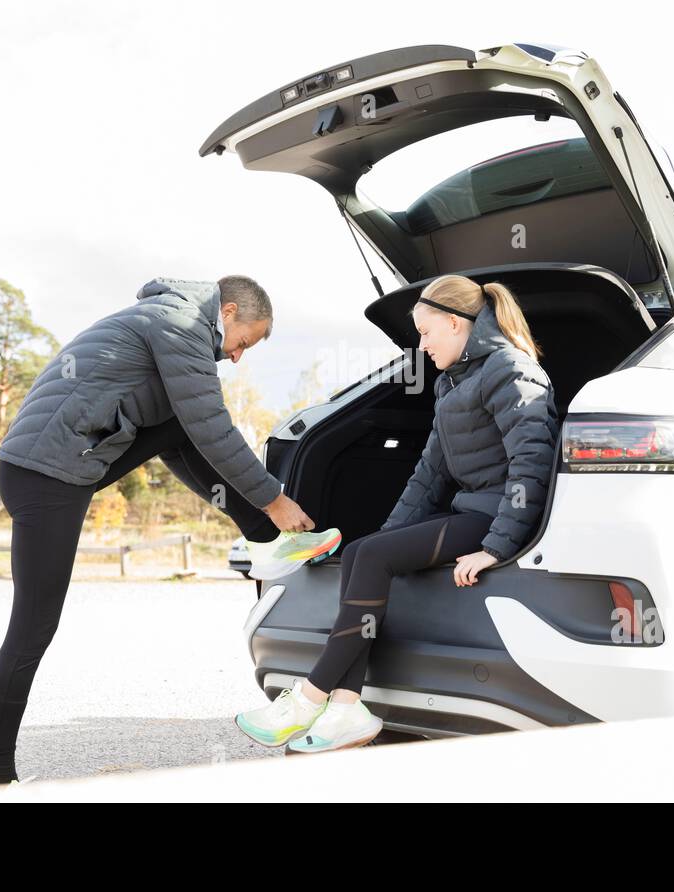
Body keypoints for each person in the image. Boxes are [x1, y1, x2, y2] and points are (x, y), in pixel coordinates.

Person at [0, 274, 339, 786]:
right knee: (34, 625)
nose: (238, 356)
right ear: (231, 312)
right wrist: (274, 499)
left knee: (176, 424)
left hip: (69, 461)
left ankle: (263, 542)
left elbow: (187, 431)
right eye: (243, 343)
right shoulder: (180, 325)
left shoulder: (177, 319)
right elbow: (214, 426)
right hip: (45, 475)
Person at [234, 274, 558, 753]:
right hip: (470, 510)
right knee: (366, 551)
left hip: (492, 518)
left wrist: (496, 548)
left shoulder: (512, 370)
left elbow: (532, 467)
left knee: (373, 555)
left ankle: (309, 696)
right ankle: (345, 707)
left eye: (426, 333)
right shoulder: (453, 381)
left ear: (454, 323)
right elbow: (429, 474)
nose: (421, 346)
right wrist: (386, 538)